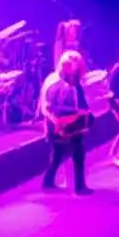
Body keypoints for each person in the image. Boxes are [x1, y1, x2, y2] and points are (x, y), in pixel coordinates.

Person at [40, 50, 92, 195]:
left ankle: (48, 181)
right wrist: (58, 122)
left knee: (59, 154)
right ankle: (79, 187)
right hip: (62, 125)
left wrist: (84, 117)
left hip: (71, 123)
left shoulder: (73, 82)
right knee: (76, 154)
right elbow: (48, 107)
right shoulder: (56, 83)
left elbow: (80, 101)